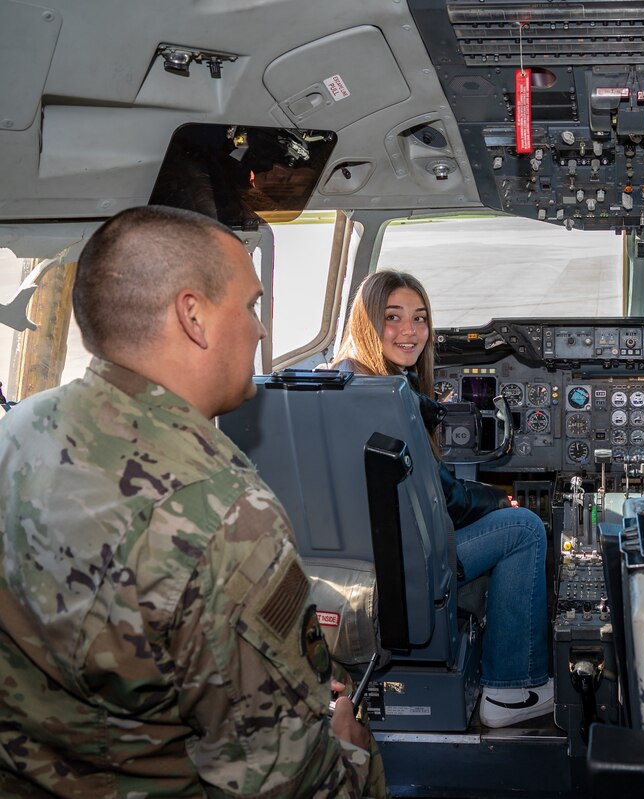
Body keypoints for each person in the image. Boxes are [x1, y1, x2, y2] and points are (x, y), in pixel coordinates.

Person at [0, 206, 384, 797]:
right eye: (251, 305)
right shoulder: (223, 515)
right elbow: (285, 782)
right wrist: (354, 758)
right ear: (194, 316)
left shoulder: (16, 433)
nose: (259, 329)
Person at [331, 270, 553, 728]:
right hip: (406, 563)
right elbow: (446, 501)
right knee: (524, 528)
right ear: (366, 321)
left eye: (420, 318)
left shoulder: (336, 383)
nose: (410, 331)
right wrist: (500, 500)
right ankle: (512, 691)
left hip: (348, 561)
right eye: (392, 318)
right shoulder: (388, 397)